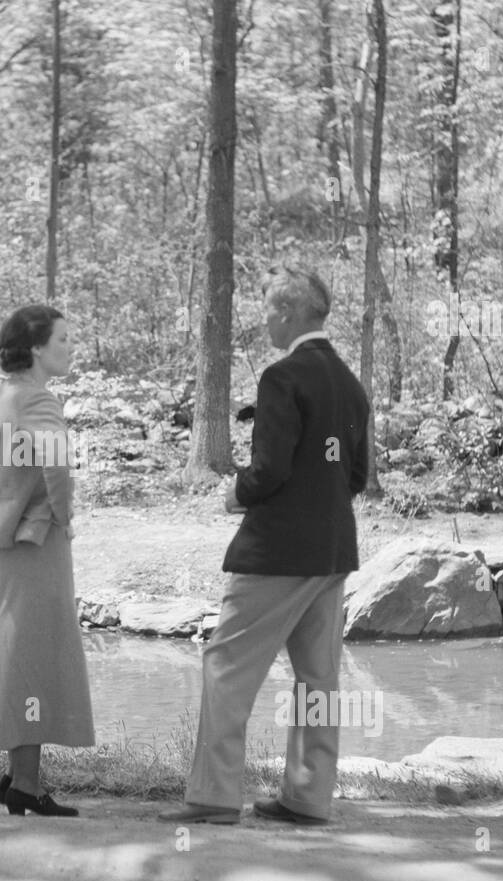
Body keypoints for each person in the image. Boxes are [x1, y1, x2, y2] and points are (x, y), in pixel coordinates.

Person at [161, 265, 369, 827]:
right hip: (331, 552)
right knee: (317, 678)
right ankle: (307, 798)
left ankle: (212, 797)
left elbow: (270, 469)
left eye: (270, 311)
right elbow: (356, 478)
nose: (266, 321)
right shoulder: (350, 384)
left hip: (277, 553)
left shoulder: (283, 378)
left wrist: (233, 494)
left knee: (227, 663)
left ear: (291, 313)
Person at [0, 304, 94, 817]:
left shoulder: (5, 395)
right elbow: (59, 468)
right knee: (35, 654)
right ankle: (24, 781)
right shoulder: (38, 399)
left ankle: (18, 776)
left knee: (21, 647)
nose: (71, 347)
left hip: (8, 539)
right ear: (37, 347)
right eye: (63, 339)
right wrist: (64, 517)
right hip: (35, 541)